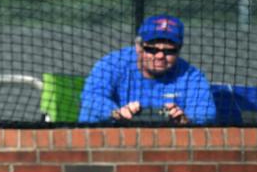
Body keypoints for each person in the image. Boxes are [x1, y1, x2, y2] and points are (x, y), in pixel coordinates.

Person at [78, 14, 216, 126]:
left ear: (179, 50)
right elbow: (91, 100)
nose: (160, 56)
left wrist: (185, 120)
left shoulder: (190, 75)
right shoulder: (112, 64)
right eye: (152, 49)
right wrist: (117, 113)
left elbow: (207, 112)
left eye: (170, 51)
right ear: (139, 47)